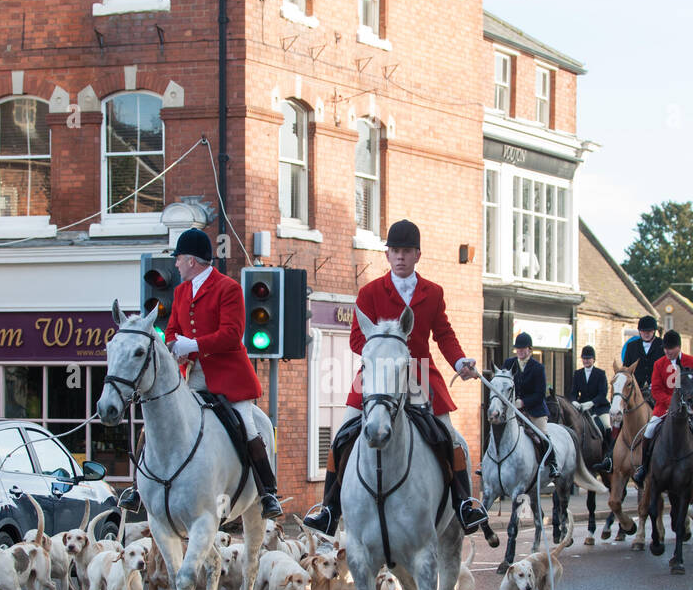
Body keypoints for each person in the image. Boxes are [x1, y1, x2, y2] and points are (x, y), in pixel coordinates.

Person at [302, 219, 489, 537]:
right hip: (376, 375)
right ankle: (329, 509)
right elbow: (356, 339)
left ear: (417, 255)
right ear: (387, 256)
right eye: (395, 251)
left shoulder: (433, 293)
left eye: (406, 251)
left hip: (419, 373)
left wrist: (459, 361)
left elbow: (443, 334)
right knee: (343, 436)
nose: (400, 257)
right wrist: (383, 350)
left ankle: (464, 504)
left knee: (451, 439)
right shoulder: (370, 291)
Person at [119, 228, 283, 519]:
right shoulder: (181, 291)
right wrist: (174, 345)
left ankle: (268, 491)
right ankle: (137, 488)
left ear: (191, 261)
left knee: (247, 424)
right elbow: (171, 330)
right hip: (192, 374)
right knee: (160, 421)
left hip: (229, 375)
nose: (176, 264)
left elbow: (232, 335)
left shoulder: (227, 288)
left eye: (178, 259)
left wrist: (193, 344)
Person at [632, 330, 693, 492]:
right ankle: (643, 467)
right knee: (650, 429)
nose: (667, 351)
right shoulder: (659, 364)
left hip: (692, 408)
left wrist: (692, 402)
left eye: (670, 348)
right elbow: (656, 389)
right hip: (665, 408)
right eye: (665, 348)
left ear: (678, 347)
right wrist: (672, 403)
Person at [502, 334, 559, 477]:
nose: (520, 351)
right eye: (518, 349)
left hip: (534, 409)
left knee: (542, 434)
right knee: (497, 430)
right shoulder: (509, 364)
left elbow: (540, 394)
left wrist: (522, 402)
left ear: (530, 349)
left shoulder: (538, 368)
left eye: (523, 348)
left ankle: (553, 464)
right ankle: (487, 464)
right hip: (513, 409)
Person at [568, 344, 612, 472]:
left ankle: (609, 455)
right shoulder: (578, 373)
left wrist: (591, 403)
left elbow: (602, 393)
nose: (586, 361)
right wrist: (574, 401)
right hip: (582, 407)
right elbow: (573, 392)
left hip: (598, 407)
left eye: (589, 358)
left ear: (594, 359)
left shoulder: (600, 373)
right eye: (584, 358)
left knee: (606, 426)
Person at [622, 315, 665, 392]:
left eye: (649, 331)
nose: (646, 334)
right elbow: (626, 367)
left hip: (658, 388)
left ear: (654, 331)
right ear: (639, 331)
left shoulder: (663, 345)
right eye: (643, 331)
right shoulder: (631, 346)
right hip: (636, 389)